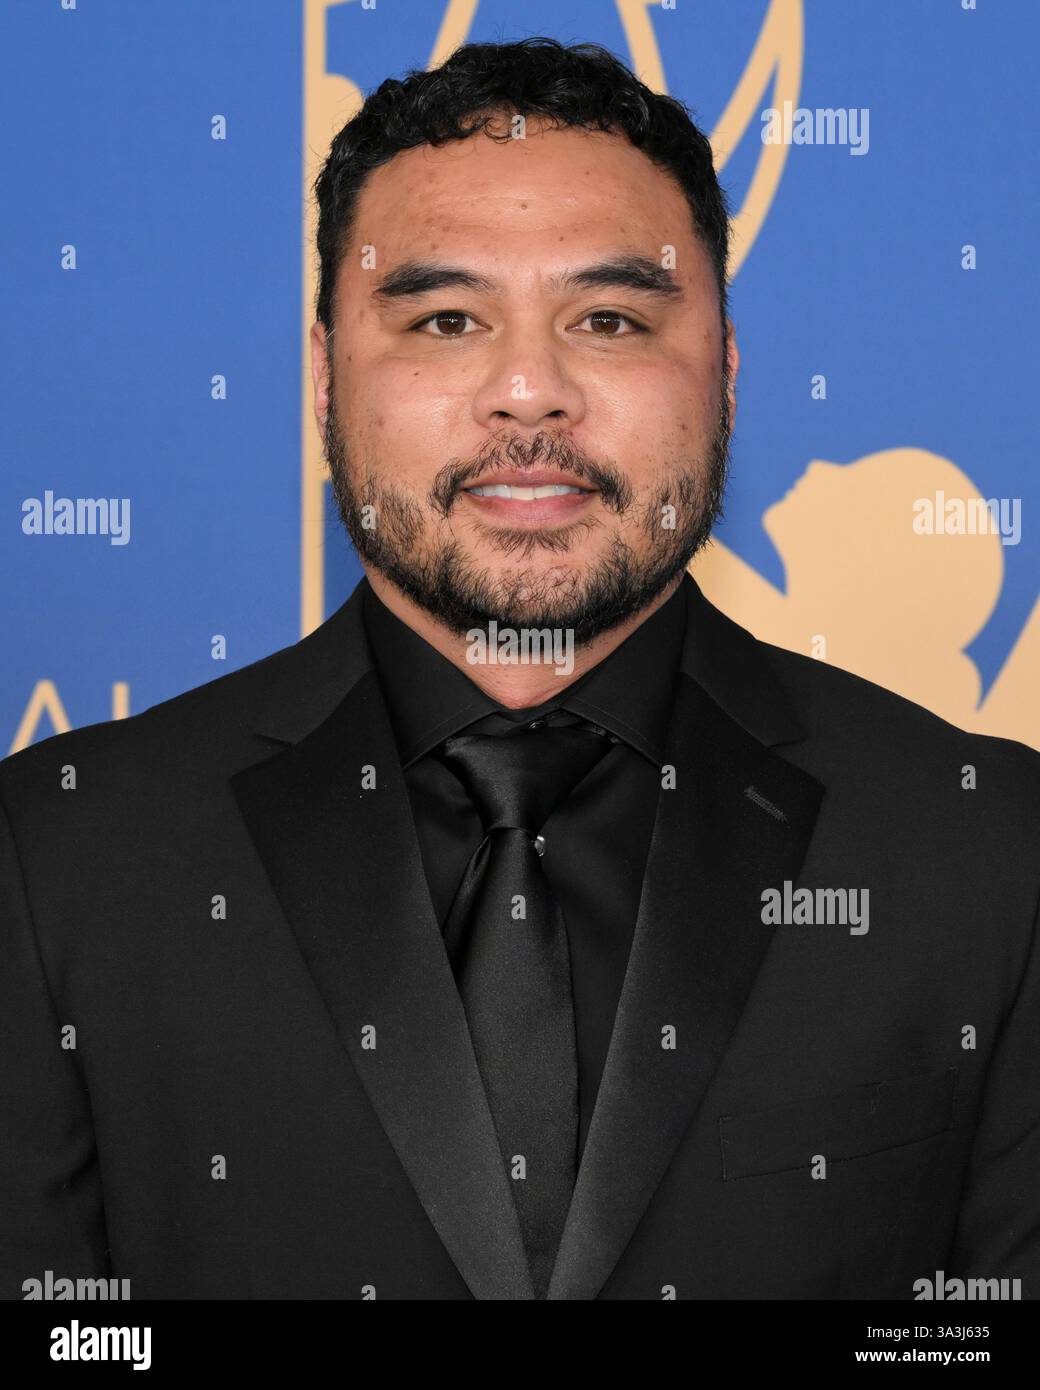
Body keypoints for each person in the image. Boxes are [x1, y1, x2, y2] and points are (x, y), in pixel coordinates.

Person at [1, 37, 1038, 1302]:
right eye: (445, 318)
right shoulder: (60, 857)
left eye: (607, 318)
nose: (528, 390)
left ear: (722, 368)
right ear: (326, 378)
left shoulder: (983, 851)